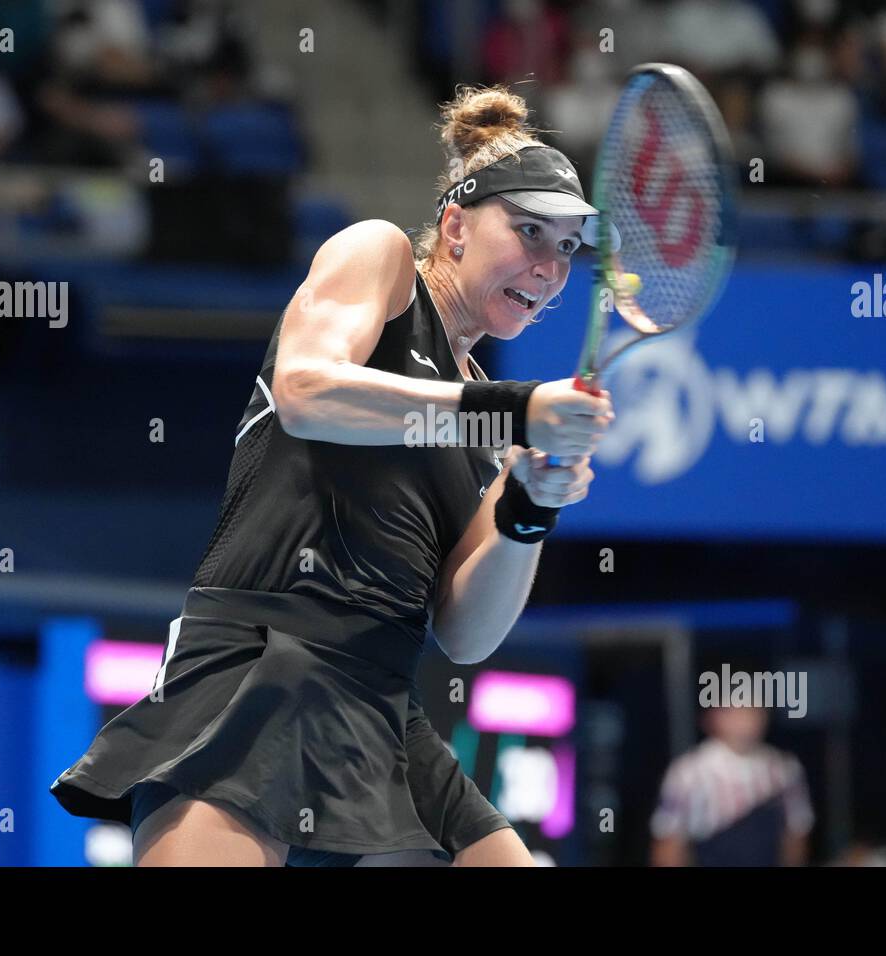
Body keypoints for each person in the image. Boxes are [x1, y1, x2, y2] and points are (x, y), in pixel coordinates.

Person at [50, 84, 615, 867]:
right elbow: (306, 391)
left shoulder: (490, 429)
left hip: (384, 703)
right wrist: (513, 407)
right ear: (454, 225)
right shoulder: (378, 258)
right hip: (260, 660)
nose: (550, 266)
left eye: (565, 247)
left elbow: (466, 633)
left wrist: (530, 502)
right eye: (529, 232)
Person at [650, 704, 813, 867]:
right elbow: (669, 842)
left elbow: (796, 833)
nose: (746, 721)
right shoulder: (688, 773)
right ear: (713, 716)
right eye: (736, 712)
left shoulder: (783, 769)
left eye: (753, 711)